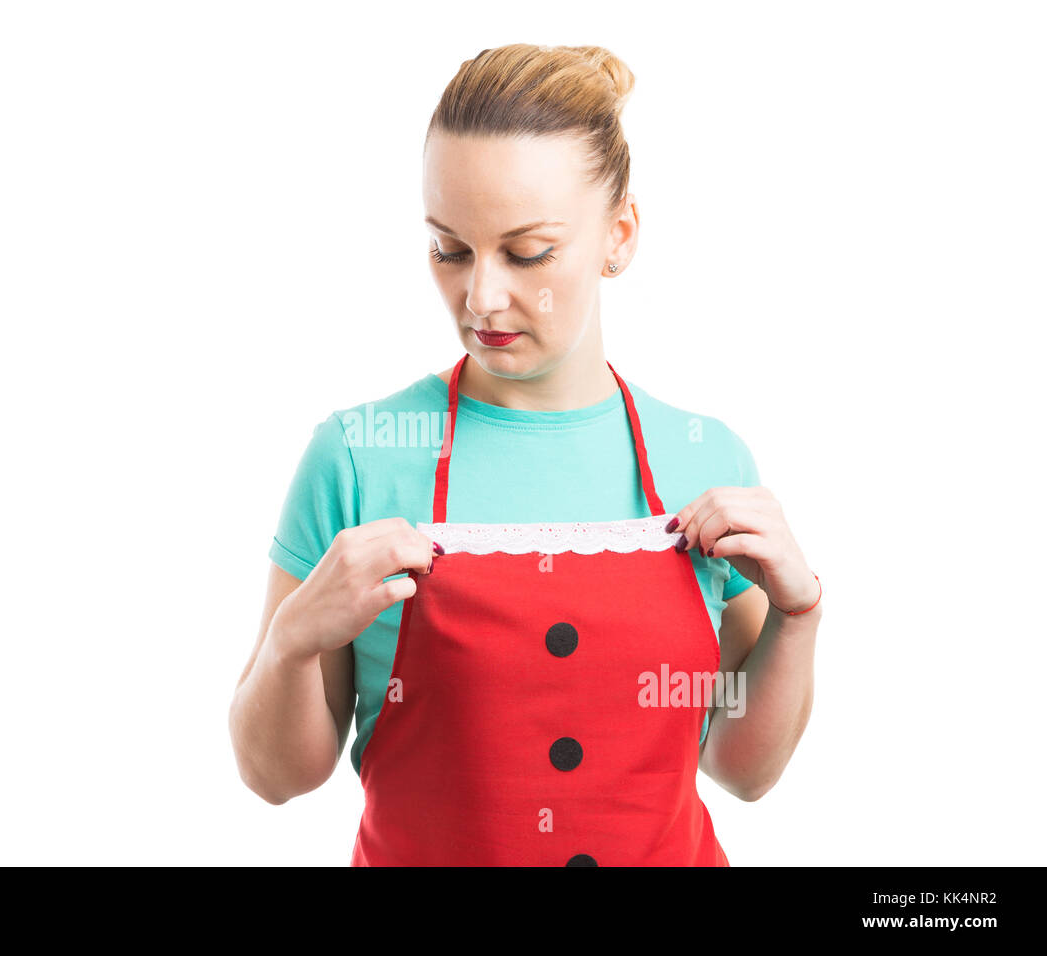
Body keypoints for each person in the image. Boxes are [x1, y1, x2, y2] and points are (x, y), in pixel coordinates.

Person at [229, 43, 822, 866]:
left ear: (619, 236)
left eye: (527, 252)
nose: (481, 297)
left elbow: (742, 769)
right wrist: (293, 639)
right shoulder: (357, 458)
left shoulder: (705, 460)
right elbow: (275, 777)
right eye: (451, 249)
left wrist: (799, 616)